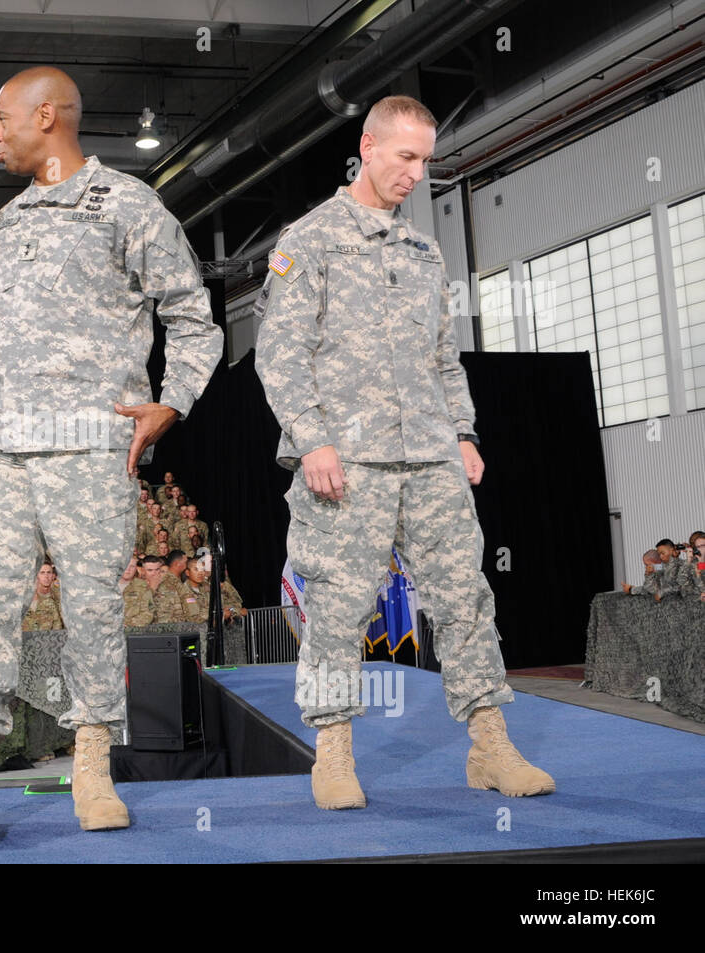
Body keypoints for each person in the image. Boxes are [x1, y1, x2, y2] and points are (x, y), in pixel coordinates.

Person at [0, 65, 223, 846]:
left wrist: (172, 402)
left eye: (1, 120)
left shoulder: (127, 204)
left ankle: (91, 766)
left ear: (47, 115)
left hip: (90, 443)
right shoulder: (10, 220)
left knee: (91, 608)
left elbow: (195, 315)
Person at [254, 95, 553, 810]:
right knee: (336, 609)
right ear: (368, 146)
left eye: (426, 160)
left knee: (465, 600)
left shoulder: (424, 251)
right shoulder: (312, 238)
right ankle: (332, 754)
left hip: (429, 457)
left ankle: (490, 746)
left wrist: (463, 432)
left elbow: (443, 358)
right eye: (405, 156)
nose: (417, 173)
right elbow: (280, 353)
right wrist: (313, 438)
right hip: (346, 463)